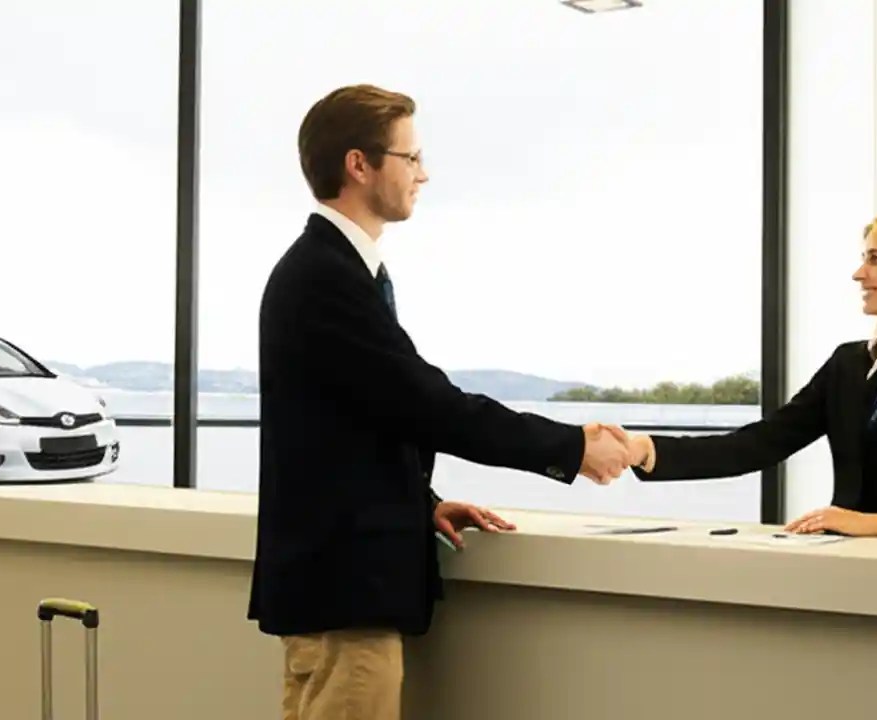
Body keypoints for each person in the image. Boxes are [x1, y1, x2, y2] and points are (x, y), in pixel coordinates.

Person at [246, 84, 629, 720]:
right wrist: (572, 448)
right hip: (345, 600)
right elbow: (428, 404)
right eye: (411, 157)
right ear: (359, 164)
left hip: (340, 592)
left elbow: (356, 422)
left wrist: (418, 503)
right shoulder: (324, 278)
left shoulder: (333, 271)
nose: (424, 173)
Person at [618, 205, 877, 540]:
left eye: (876, 259)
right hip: (842, 569)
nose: (858, 274)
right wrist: (647, 450)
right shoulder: (848, 366)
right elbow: (761, 442)